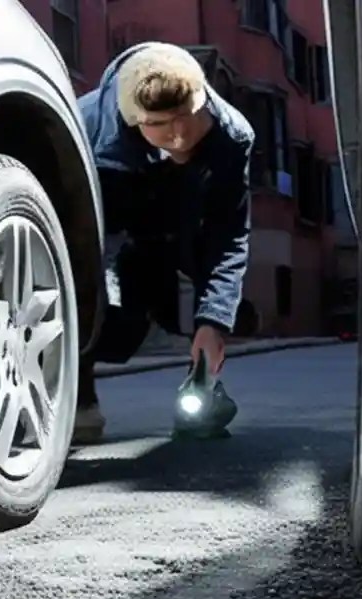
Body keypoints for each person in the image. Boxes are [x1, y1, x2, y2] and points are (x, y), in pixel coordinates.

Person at [74, 41, 258, 444]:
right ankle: (78, 392)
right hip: (104, 221)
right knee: (114, 323)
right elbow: (82, 245)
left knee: (217, 309)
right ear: (134, 119)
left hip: (176, 223)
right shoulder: (83, 127)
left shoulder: (231, 135)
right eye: (160, 125)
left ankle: (201, 387)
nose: (177, 138)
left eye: (185, 119)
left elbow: (229, 232)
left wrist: (214, 320)